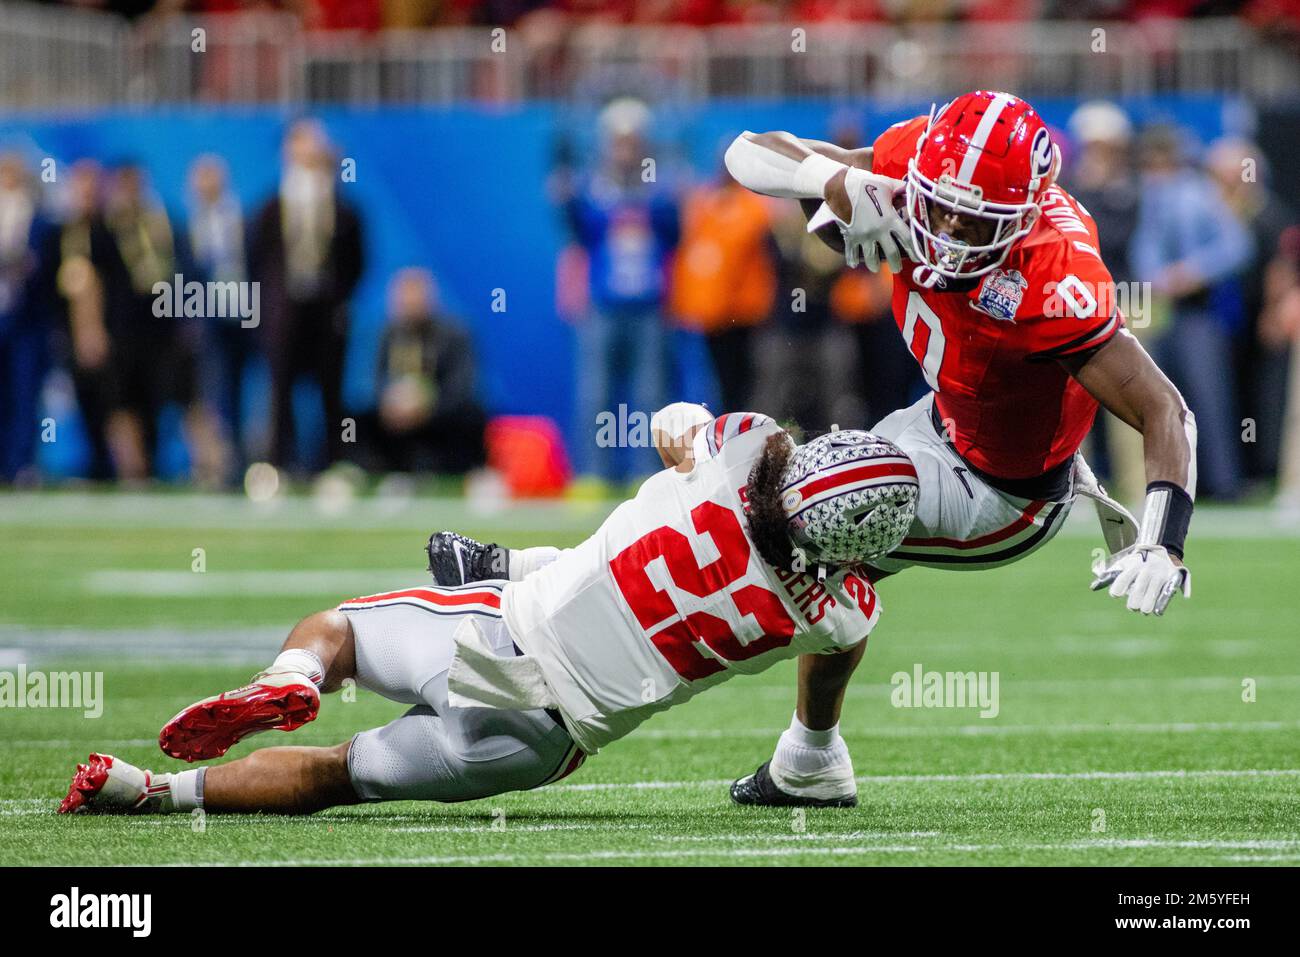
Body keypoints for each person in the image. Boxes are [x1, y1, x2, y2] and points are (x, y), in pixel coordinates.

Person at [660, 90, 1200, 805]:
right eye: (938, 204)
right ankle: (809, 760)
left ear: (1023, 215)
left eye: (974, 218)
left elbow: (1164, 408)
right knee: (798, 542)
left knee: (805, 531)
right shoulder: (920, 158)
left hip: (1003, 490)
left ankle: (772, 732)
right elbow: (745, 152)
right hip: (935, 422)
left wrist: (1165, 540)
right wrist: (838, 184)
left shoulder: (1054, 275)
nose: (947, 227)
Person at [59, 412, 920, 814]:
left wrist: (690, 441)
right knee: (335, 775)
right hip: (541, 732)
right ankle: (154, 794)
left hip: (493, 630)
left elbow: (673, 426)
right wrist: (812, 749)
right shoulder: (839, 617)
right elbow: (838, 643)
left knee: (342, 632)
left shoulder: (743, 449)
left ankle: (290, 675)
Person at [1130, 124, 1251, 500]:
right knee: (1160, 399)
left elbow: (1237, 246)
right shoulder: (1148, 197)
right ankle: (1171, 482)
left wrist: (1195, 271)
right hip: (1158, 308)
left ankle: (1224, 483)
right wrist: (1155, 277)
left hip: (1198, 311)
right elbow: (1143, 248)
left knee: (1207, 395)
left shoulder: (1200, 195)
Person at [563, 98, 680, 486]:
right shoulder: (593, 187)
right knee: (596, 392)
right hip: (604, 304)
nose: (625, 150)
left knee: (652, 394)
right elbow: (578, 230)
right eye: (619, 142)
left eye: (631, 142)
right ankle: (595, 474)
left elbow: (674, 232)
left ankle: (648, 475)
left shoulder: (659, 186)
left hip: (649, 306)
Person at [249, 119, 364, 474]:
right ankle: (280, 463)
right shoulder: (271, 207)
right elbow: (257, 261)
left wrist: (339, 298)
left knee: (331, 390)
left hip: (327, 311)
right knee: (281, 389)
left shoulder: (342, 207)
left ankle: (333, 462)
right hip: (285, 311)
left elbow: (356, 261)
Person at [669, 157, 776, 411]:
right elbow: (695, 256)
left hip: (745, 313)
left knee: (745, 383)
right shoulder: (704, 204)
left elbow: (736, 249)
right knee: (722, 383)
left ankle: (746, 435)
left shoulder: (752, 207)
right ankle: (728, 438)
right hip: (714, 314)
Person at [363, 267, 487, 475]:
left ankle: (467, 469)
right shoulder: (389, 333)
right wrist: (390, 402)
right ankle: (369, 469)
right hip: (398, 416)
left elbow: (462, 386)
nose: (410, 302)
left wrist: (425, 405)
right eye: (404, 295)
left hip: (439, 415)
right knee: (356, 420)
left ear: (430, 298)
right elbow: (377, 379)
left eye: (416, 294)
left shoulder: (454, 332)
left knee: (472, 416)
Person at [184, 154, 252, 484]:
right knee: (214, 393)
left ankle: (244, 460)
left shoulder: (239, 218)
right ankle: (218, 465)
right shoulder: (189, 225)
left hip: (243, 316)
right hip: (209, 320)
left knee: (242, 392)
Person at [0, 152, 55, 484]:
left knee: (25, 394)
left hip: (26, 322)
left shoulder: (38, 218)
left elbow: (45, 270)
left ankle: (21, 465)